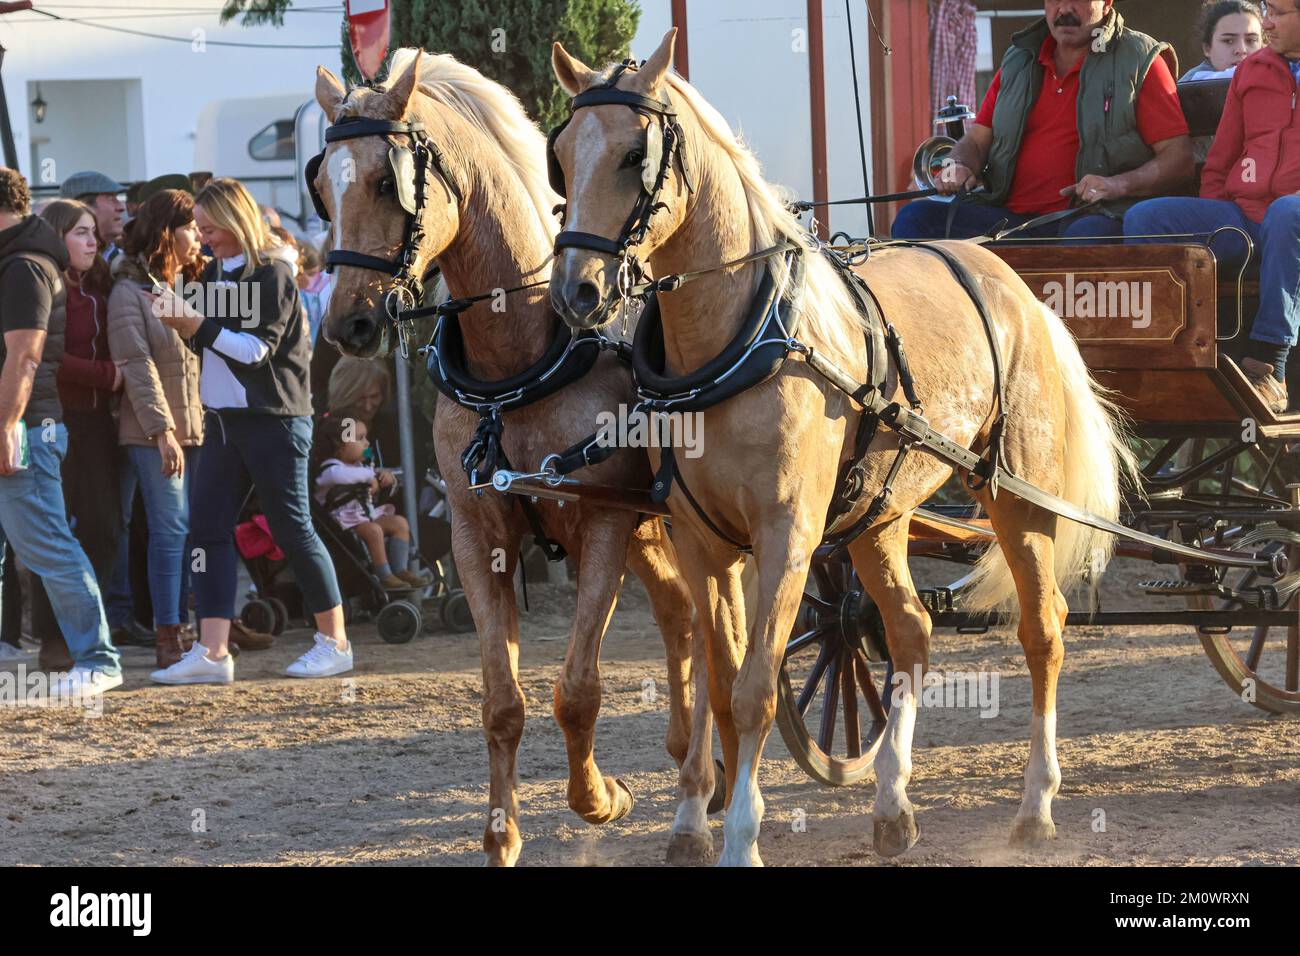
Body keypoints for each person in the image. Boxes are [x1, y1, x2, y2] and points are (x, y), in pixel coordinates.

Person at [144, 177, 351, 684]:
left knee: (292, 527)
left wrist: (193, 325)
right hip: (221, 421)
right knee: (206, 531)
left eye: (210, 227)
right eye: (200, 227)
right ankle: (213, 652)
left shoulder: (273, 273)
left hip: (275, 419)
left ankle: (336, 641)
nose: (203, 235)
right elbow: (210, 348)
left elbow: (257, 352)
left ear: (235, 223)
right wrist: (185, 323)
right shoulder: (212, 274)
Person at [891, 0, 1193, 240]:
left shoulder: (1139, 59)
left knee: (1084, 238)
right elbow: (976, 140)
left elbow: (1178, 160)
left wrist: (1117, 185)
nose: (1064, 9)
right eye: (1054, 0)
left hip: (1094, 216)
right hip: (1008, 221)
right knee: (914, 220)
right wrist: (957, 164)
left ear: (1107, 3)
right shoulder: (1018, 60)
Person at [1125, 0, 1300, 414]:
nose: (1268, 21)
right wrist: (1216, 231)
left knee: (1286, 213)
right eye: (1265, 8)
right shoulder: (1252, 71)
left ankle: (1269, 366)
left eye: (1278, 12)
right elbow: (1221, 159)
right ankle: (1176, 353)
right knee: (1147, 218)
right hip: (1247, 218)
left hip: (1294, 220)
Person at [0, 167, 120, 697]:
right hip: (25, 426)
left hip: (26, 429)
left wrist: (6, 426)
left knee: (47, 544)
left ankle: (98, 659)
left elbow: (23, 358)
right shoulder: (18, 260)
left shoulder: (24, 266)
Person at [106, 189, 206, 668]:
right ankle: (170, 638)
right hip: (152, 434)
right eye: (191, 227)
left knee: (183, 533)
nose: (199, 236)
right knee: (170, 531)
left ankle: (185, 631)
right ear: (169, 232)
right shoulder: (128, 293)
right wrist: (164, 431)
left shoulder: (184, 287)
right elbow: (137, 368)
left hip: (190, 432)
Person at [27, 200, 124, 666]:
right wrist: (106, 375)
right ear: (58, 235)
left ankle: (91, 627)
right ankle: (53, 635)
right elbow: (40, 354)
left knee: (105, 529)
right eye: (82, 233)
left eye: (94, 233)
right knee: (53, 532)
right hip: (50, 419)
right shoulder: (38, 283)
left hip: (97, 424)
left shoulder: (100, 284)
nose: (93, 241)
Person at [313, 414, 428, 588]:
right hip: (343, 525)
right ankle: (385, 575)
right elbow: (342, 476)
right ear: (339, 445)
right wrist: (371, 476)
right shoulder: (330, 469)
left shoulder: (360, 467)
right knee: (374, 531)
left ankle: (400, 569)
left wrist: (385, 478)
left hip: (364, 517)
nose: (367, 443)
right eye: (360, 439)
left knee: (400, 523)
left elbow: (369, 475)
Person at [1182, 0, 1264, 80]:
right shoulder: (1194, 81)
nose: (1241, 50)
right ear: (1207, 48)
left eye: (1251, 40)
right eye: (1229, 41)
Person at [60, 171, 126, 264]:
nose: (121, 207)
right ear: (84, 206)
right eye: (110, 199)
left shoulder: (127, 261)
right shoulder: (58, 265)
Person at [297, 242, 331, 347]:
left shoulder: (322, 286)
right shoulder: (294, 295)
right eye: (310, 274)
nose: (315, 278)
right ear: (299, 271)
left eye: (317, 273)